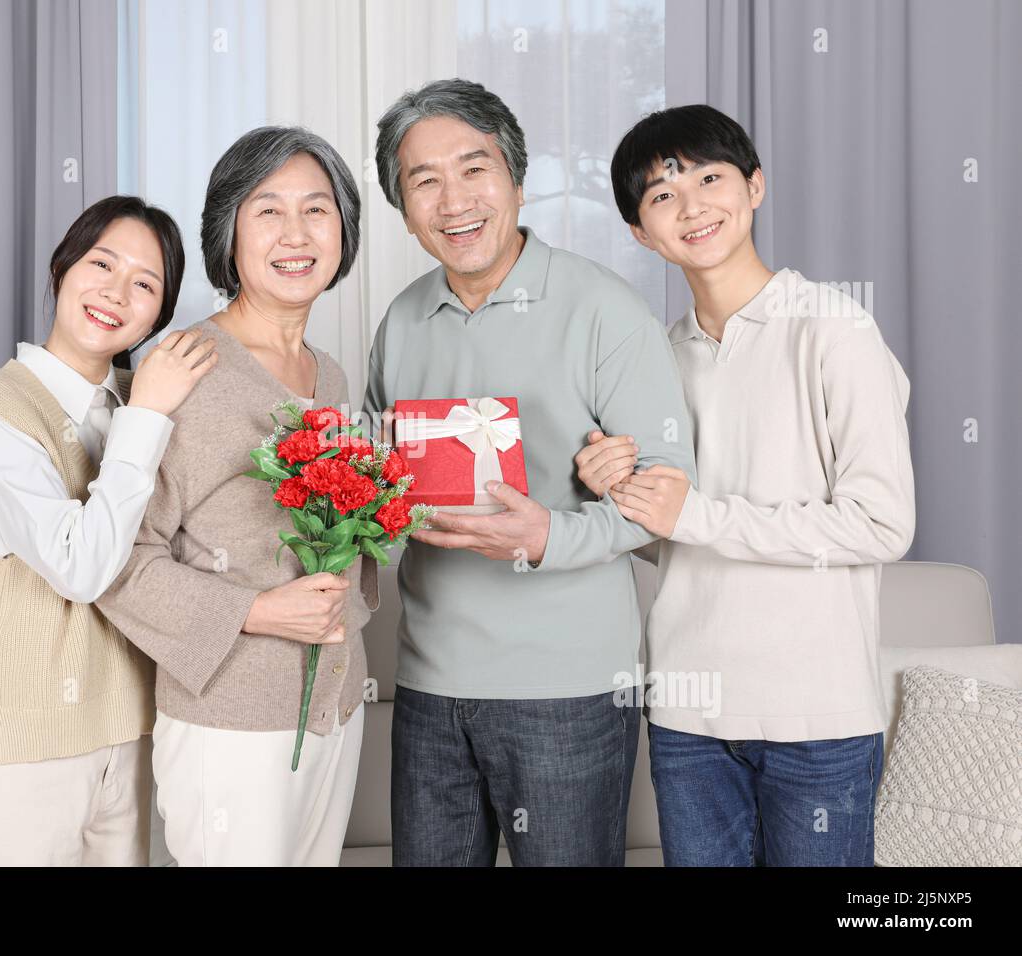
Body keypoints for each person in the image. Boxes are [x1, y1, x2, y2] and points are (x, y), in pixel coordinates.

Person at [363, 78, 696, 866]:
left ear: (516, 179)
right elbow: (381, 485)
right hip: (429, 683)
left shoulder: (605, 311)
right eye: (424, 180)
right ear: (403, 208)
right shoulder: (402, 319)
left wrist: (550, 534)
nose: (454, 201)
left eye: (474, 169)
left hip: (569, 691)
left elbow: (664, 499)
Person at [576, 103, 915, 865]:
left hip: (817, 716)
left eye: (709, 176)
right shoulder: (656, 358)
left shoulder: (835, 330)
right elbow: (676, 543)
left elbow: (881, 524)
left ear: (754, 186)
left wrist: (696, 515)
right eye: (662, 195)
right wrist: (621, 495)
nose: (691, 205)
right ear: (639, 231)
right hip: (688, 716)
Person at [95, 127, 378, 866]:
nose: (296, 234)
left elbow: (343, 538)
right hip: (230, 725)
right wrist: (254, 611)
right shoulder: (184, 367)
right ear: (229, 232)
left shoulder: (332, 376)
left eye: (317, 210)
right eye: (268, 211)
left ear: (344, 231)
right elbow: (114, 560)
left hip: (334, 711)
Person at [0, 195, 219, 865]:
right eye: (102, 264)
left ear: (160, 313)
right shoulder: (0, 408)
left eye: (145, 284)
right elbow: (80, 567)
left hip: (133, 739)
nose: (117, 293)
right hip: (22, 754)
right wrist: (146, 415)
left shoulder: (142, 397)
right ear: (63, 269)